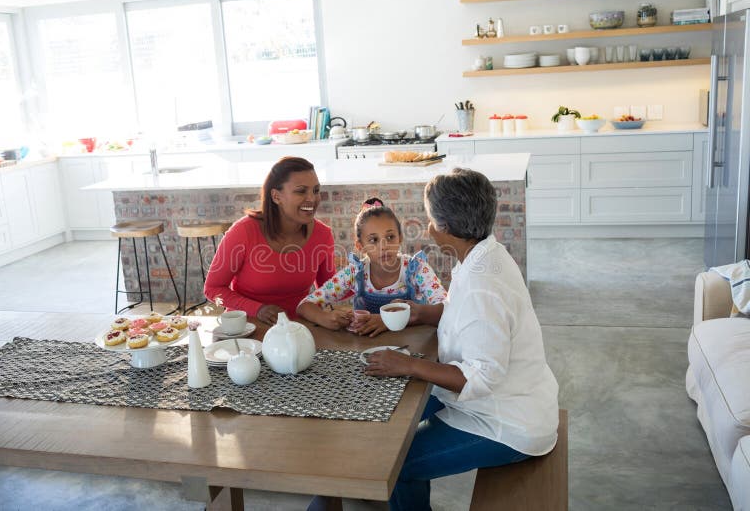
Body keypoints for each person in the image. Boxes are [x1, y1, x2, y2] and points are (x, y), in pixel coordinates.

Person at [365, 168, 559, 511]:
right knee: (390, 411)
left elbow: (481, 377)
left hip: (508, 422)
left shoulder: (482, 286)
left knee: (398, 464)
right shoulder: (485, 254)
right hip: (505, 397)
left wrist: (409, 364)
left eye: (429, 219)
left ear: (445, 229)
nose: (427, 227)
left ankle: (383, 483)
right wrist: (423, 313)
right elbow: (471, 317)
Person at [203, 156, 335, 324]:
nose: (312, 198)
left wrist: (366, 278)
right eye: (301, 191)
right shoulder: (243, 232)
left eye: (316, 190)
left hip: (298, 328)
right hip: (247, 329)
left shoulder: (323, 235)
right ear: (276, 196)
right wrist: (257, 309)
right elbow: (213, 289)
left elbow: (329, 291)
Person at [297, 198, 446, 335]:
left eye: (390, 237)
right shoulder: (355, 273)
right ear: (360, 246)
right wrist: (325, 318)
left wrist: (389, 320)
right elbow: (304, 306)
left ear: (400, 237)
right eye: (373, 240)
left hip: (413, 351)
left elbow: (445, 309)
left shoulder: (416, 269)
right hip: (368, 352)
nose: (383, 246)